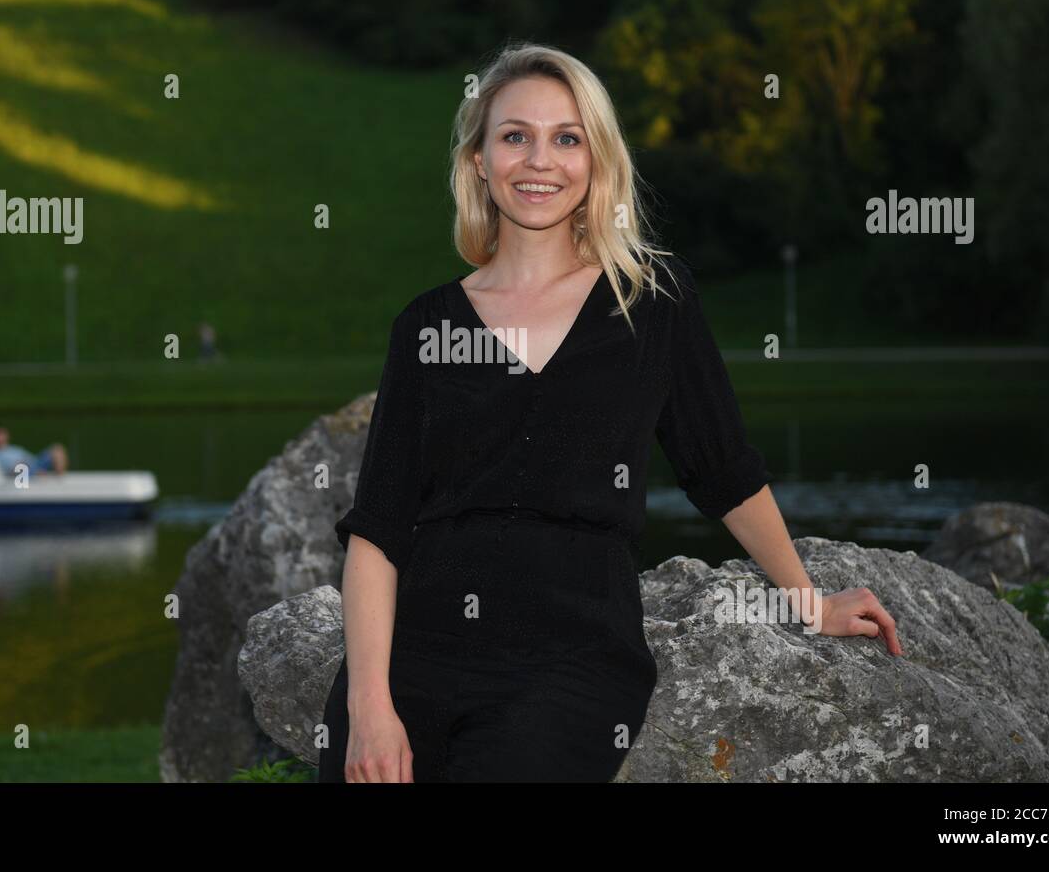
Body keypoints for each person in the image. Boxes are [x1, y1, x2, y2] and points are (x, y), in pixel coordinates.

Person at [318, 43, 904, 785]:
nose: (540, 160)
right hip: (416, 652)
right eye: (514, 136)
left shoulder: (650, 301)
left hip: (570, 656)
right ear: (478, 161)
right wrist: (371, 707)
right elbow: (378, 527)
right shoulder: (424, 325)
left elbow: (721, 469)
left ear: (597, 161)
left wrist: (808, 602)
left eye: (567, 138)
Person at [0, 425, 68, 476]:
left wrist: (36, 468)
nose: (0, 437)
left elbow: (31, 459)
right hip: (19, 473)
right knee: (21, 467)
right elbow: (9, 470)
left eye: (2, 434)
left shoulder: (15, 449)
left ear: (7, 436)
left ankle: (60, 478)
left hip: (33, 466)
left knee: (57, 448)